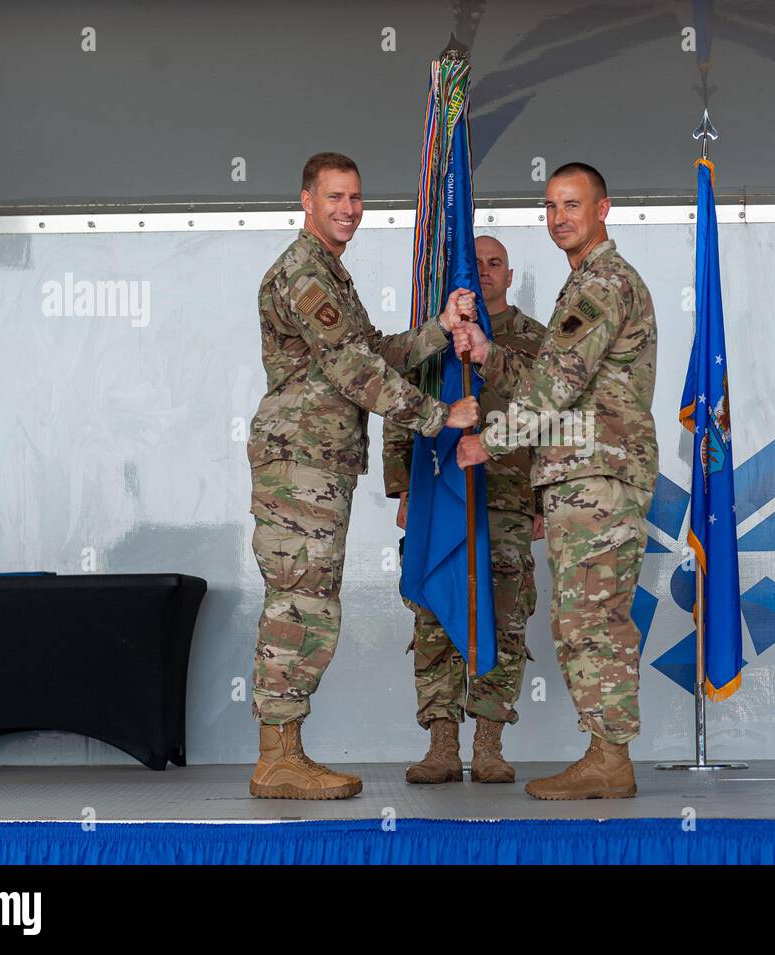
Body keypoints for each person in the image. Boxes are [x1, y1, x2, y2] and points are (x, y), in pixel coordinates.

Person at [247, 151, 479, 800]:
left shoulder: (329, 272)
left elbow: (372, 351)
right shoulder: (304, 273)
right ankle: (276, 759)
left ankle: (286, 752)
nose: (348, 209)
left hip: (319, 465)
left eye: (356, 197)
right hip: (299, 465)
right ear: (307, 201)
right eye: (335, 197)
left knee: (310, 605)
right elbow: (357, 374)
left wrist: (439, 329)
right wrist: (440, 415)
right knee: (299, 604)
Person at [456, 163, 658, 799]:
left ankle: (609, 758)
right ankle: (604, 752)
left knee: (592, 621)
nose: (559, 217)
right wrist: (491, 357)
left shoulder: (602, 283)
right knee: (580, 620)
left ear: (603, 210)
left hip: (598, 477)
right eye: (550, 206)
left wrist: (486, 443)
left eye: (572, 205)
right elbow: (564, 380)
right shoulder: (585, 284)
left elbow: (556, 389)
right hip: (583, 477)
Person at [384, 236, 547, 784]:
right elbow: (399, 411)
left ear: (509, 273)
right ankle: (441, 744)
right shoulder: (432, 340)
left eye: (494, 264)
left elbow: (552, 418)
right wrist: (403, 487)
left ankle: (490, 744)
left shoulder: (534, 338)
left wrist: (543, 498)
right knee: (435, 611)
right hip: (439, 493)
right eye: (473, 265)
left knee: (505, 617)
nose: (484, 273)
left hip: (507, 498)